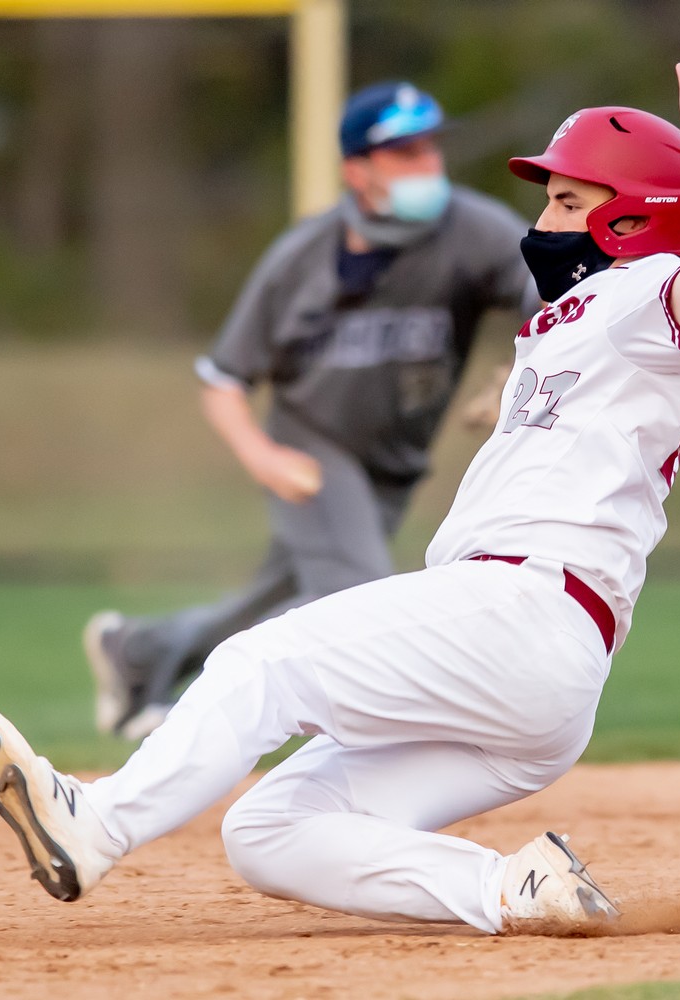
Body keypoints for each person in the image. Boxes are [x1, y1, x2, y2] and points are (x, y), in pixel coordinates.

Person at [0, 22, 680, 935]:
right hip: (532, 666)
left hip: (525, 610)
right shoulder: (582, 316)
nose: (542, 221)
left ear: (631, 218)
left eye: (564, 200)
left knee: (261, 662)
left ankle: (99, 824)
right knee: (267, 830)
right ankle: (516, 891)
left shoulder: (651, 293)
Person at [87, 80, 540, 741]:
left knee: (280, 602)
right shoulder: (303, 256)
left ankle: (139, 653)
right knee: (358, 600)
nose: (426, 164)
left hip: (394, 463)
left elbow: (552, 290)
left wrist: (525, 366)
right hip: (313, 449)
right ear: (356, 170)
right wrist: (264, 458)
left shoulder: (474, 230)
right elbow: (221, 379)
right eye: (403, 152)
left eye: (430, 147)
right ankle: (213, 726)